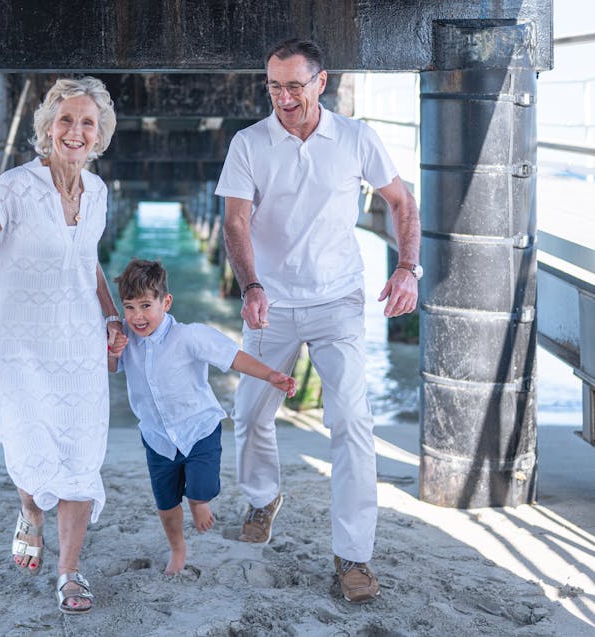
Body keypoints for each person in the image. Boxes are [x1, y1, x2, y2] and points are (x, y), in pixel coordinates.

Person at [215, 38, 421, 603]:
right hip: (271, 303)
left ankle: (353, 556)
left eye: (294, 86)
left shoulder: (356, 138)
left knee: (351, 421)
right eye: (274, 87)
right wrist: (251, 286)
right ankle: (263, 498)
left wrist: (407, 268)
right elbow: (235, 222)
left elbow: (402, 202)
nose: (284, 98)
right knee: (250, 412)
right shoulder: (249, 143)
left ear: (321, 82)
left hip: (337, 303)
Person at [0, 77, 122, 615]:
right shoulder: (14, 188)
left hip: (79, 346)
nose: (76, 131)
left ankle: (69, 572)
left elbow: (87, 262)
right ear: (48, 127)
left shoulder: (99, 193)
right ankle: (31, 512)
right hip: (18, 346)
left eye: (87, 123)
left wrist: (111, 315)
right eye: (66, 120)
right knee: (28, 446)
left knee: (81, 457)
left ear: (100, 133)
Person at [107, 259, 296, 575]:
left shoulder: (189, 336)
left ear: (166, 302)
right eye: (129, 307)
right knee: (166, 503)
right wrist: (113, 352)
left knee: (201, 487)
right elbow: (112, 367)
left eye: (146, 306)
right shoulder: (126, 339)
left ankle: (197, 502)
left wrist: (270, 375)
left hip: (199, 429)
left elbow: (232, 357)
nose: (137, 316)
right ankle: (177, 548)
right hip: (158, 438)